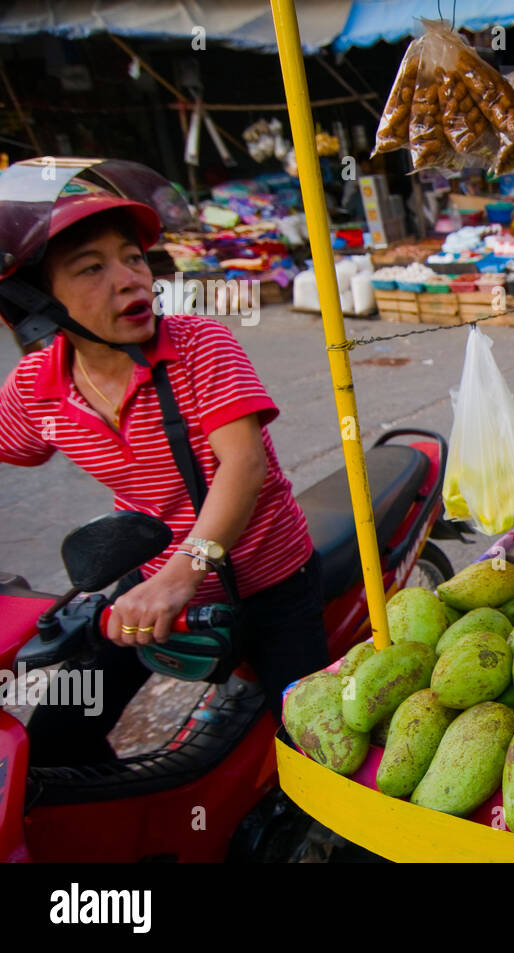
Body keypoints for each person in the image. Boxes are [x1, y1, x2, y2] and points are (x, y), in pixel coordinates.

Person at [0, 159, 329, 765]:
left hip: (267, 583)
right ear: (34, 302)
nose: (130, 280)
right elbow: (11, 445)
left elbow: (243, 467)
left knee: (313, 748)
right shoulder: (34, 388)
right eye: (92, 269)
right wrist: (166, 580)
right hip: (148, 586)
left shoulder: (201, 345)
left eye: (131, 258)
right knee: (53, 740)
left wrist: (184, 573)